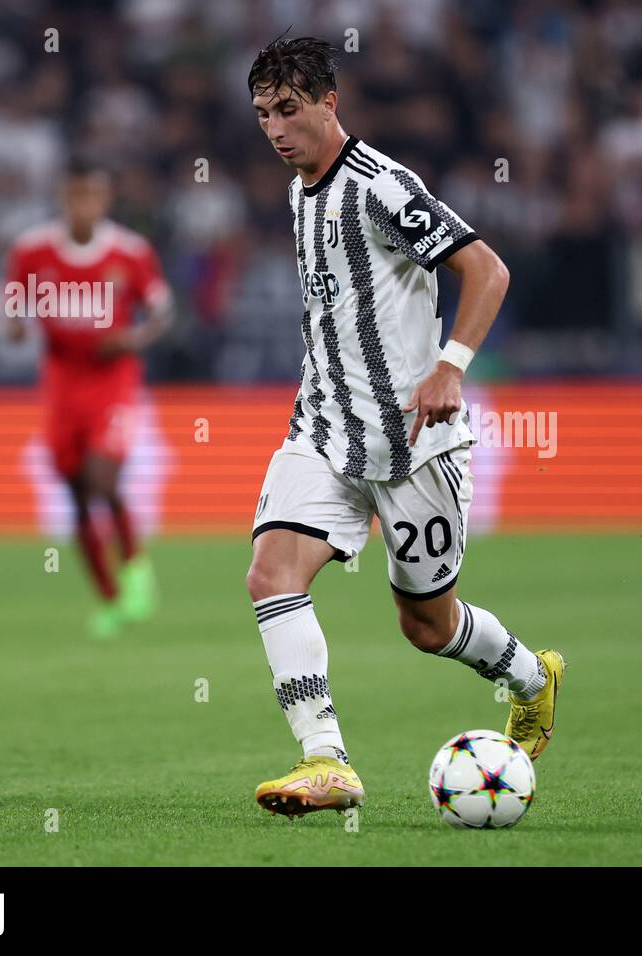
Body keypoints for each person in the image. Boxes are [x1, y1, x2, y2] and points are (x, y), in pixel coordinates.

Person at [244, 34, 565, 818]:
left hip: (413, 442)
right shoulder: (297, 191)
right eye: (262, 115)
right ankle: (326, 760)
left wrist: (452, 363)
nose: (276, 129)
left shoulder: (384, 187)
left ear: (330, 102)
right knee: (270, 577)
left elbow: (487, 269)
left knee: (427, 625)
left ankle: (531, 677)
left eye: (289, 110)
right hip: (321, 428)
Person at [0, 158, 173, 638]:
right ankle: (110, 598)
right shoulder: (32, 252)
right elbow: (12, 310)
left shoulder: (129, 253)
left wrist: (133, 339)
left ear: (105, 199)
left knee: (102, 478)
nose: (83, 206)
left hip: (112, 382)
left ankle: (136, 569)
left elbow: (161, 310)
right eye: (74, 196)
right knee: (77, 497)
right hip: (60, 385)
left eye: (91, 196)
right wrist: (13, 328)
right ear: (63, 198)